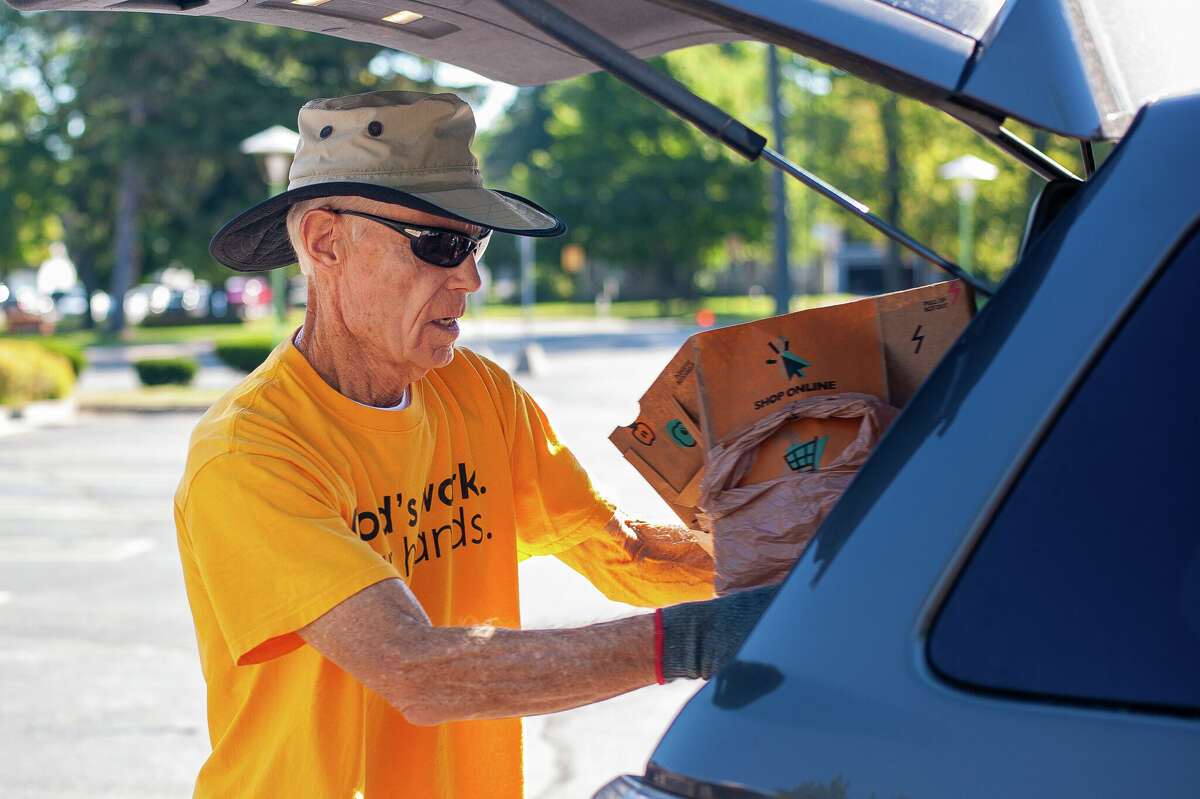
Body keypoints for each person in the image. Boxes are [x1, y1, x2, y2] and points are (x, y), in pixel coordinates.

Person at [175, 90, 776, 798]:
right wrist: (696, 639)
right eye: (440, 244)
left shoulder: (480, 395)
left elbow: (622, 552)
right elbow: (416, 670)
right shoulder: (250, 452)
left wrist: (798, 563)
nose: (471, 278)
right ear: (325, 241)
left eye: (475, 243)